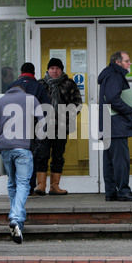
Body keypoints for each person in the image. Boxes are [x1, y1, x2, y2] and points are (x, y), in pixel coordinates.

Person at [0, 85, 43, 244]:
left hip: (6, 148)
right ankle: (16, 217)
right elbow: (42, 122)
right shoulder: (31, 99)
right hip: (23, 148)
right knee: (23, 183)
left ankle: (18, 223)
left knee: (12, 184)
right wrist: (37, 142)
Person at [98, 51, 132, 202]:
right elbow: (112, 98)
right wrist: (129, 111)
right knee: (120, 160)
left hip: (108, 124)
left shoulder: (108, 75)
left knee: (109, 160)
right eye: (127, 60)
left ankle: (111, 192)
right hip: (115, 125)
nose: (129, 63)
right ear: (118, 62)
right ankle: (123, 191)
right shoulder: (115, 75)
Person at [35, 58, 82, 196]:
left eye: (57, 68)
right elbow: (33, 104)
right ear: (48, 70)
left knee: (58, 156)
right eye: (52, 68)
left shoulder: (69, 84)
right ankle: (41, 186)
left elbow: (77, 103)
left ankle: (55, 186)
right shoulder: (40, 84)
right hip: (43, 126)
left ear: (61, 70)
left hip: (61, 126)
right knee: (42, 155)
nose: (54, 71)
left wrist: (67, 117)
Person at [8, 62, 50, 195]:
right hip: (32, 127)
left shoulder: (12, 86)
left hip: (15, 127)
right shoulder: (39, 86)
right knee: (31, 157)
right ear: (34, 73)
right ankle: (29, 188)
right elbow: (46, 108)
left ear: (21, 72)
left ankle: (15, 186)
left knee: (16, 156)